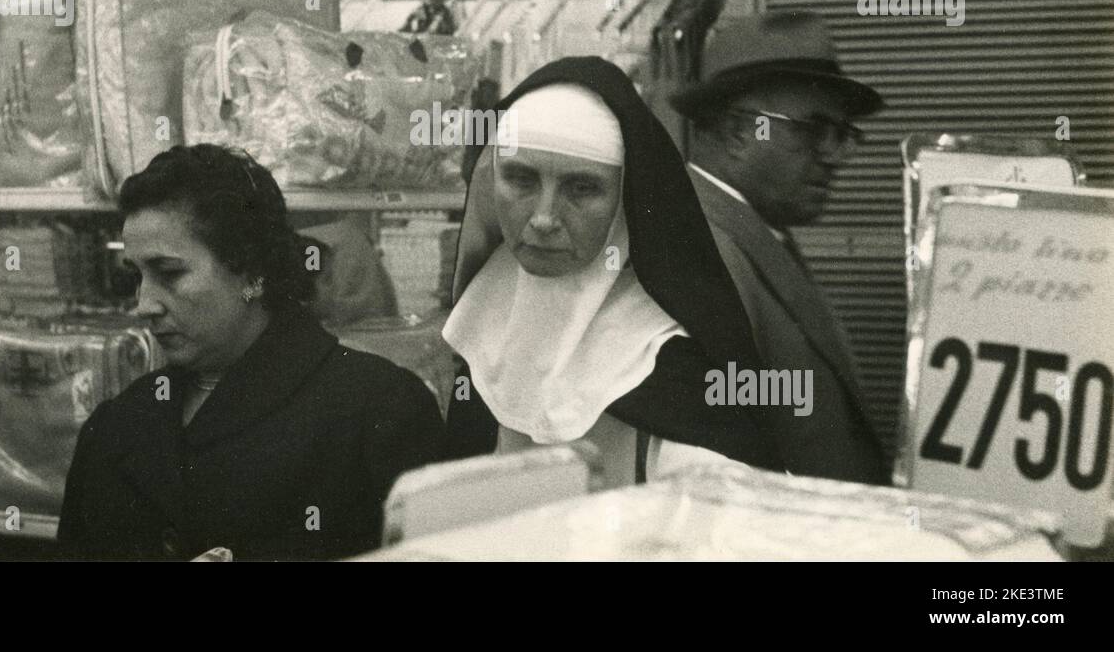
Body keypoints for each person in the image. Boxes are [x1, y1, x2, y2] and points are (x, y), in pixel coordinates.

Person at [58, 144, 444, 560]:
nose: (144, 304)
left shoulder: (380, 413)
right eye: (136, 276)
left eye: (169, 273)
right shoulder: (116, 426)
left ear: (253, 271)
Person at [444, 57, 782, 485]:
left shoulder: (675, 374)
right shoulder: (480, 332)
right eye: (521, 180)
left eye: (581, 188)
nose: (544, 218)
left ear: (625, 203)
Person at [671, 9, 889, 485]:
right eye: (813, 131)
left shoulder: (751, 231)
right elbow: (711, 482)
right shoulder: (703, 254)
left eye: (842, 134)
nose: (835, 157)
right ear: (737, 133)